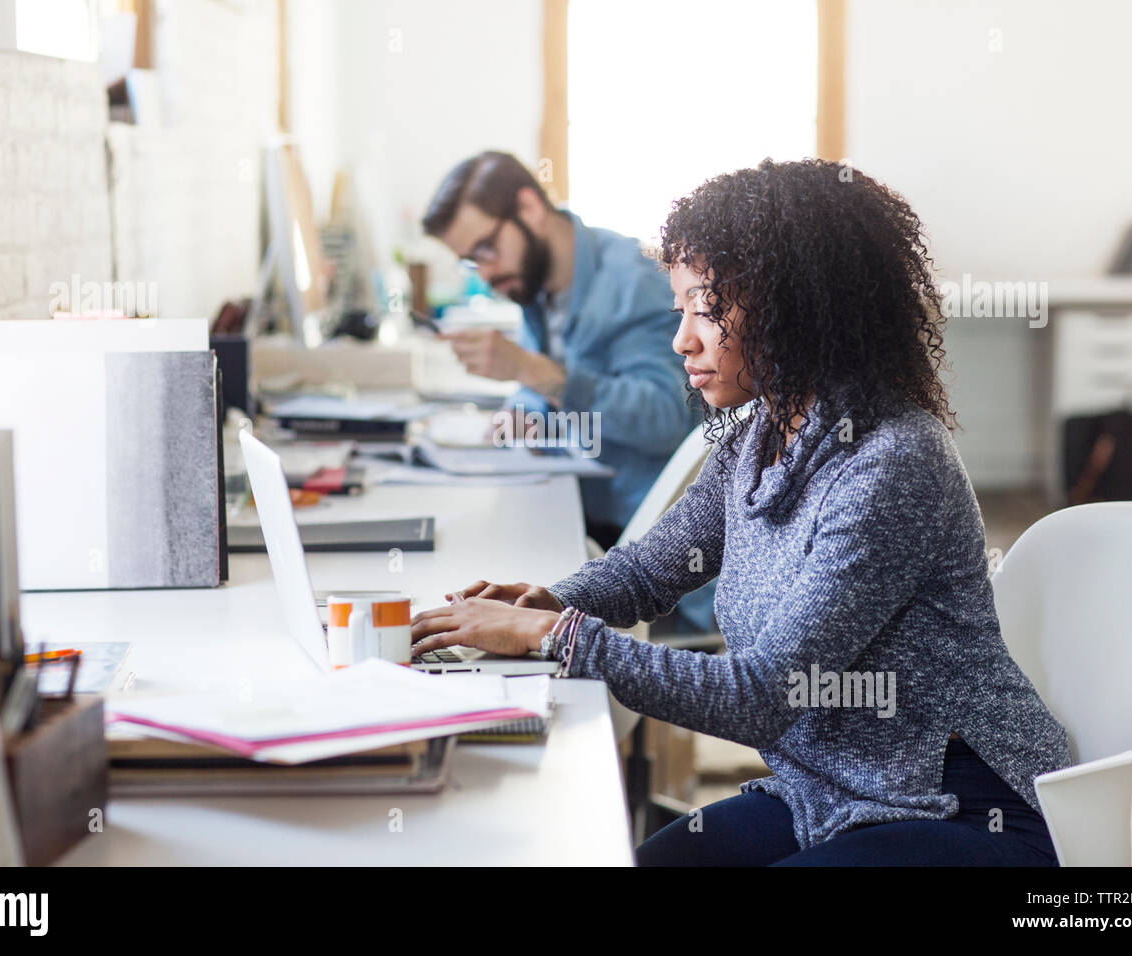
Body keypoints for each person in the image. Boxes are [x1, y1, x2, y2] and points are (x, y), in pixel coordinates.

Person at [411, 158, 1073, 866]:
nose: (683, 341)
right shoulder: (758, 433)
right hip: (827, 792)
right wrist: (548, 602)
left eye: (707, 308)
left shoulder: (894, 462)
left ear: (794, 304)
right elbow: (647, 571)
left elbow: (764, 695)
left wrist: (555, 636)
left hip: (960, 803)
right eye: (681, 311)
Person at [422, 151, 714, 632]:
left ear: (529, 208)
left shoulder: (632, 281)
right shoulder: (535, 282)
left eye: (487, 247)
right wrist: (521, 411)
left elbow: (667, 416)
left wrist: (531, 371)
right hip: (582, 507)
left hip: (640, 543)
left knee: (477, 578)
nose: (488, 275)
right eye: (472, 261)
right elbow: (545, 389)